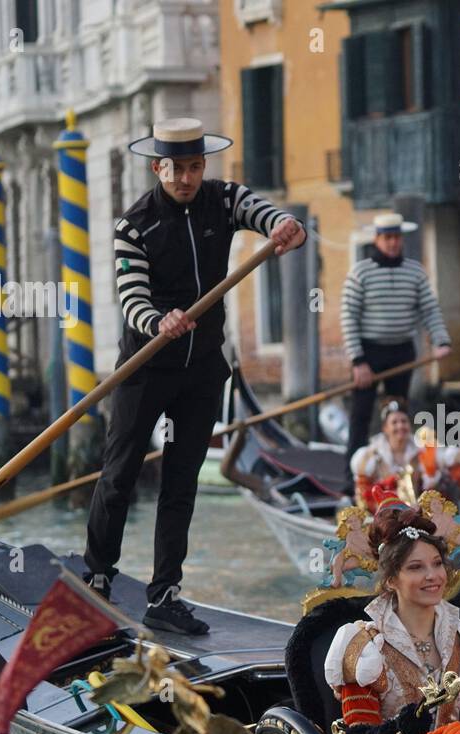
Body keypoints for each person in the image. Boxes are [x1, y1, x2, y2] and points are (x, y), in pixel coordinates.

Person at [82, 117, 305, 634]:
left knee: (181, 482)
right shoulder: (133, 225)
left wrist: (281, 224)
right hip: (147, 366)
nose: (186, 177)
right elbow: (131, 296)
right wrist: (158, 320)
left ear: (204, 166)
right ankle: (96, 578)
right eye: (176, 168)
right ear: (158, 167)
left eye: (194, 167)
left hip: (202, 369)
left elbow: (261, 211)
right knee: (119, 475)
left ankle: (164, 594)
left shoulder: (221, 199)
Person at [324, 509, 460, 734]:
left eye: (437, 563)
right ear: (390, 580)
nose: (433, 576)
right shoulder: (363, 645)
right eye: (416, 567)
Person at [341, 213, 452, 488]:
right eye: (387, 238)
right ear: (377, 239)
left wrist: (441, 340)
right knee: (362, 414)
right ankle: (352, 480)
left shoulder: (415, 271)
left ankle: (400, 477)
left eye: (396, 238)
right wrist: (358, 361)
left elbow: (429, 309)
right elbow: (348, 316)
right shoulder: (360, 272)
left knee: (398, 414)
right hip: (369, 352)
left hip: (402, 351)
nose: (392, 243)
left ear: (401, 239)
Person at [349, 399, 420, 506]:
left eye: (404, 421)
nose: (400, 426)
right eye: (394, 422)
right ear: (385, 428)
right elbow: (361, 493)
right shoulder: (370, 454)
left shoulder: (420, 449)